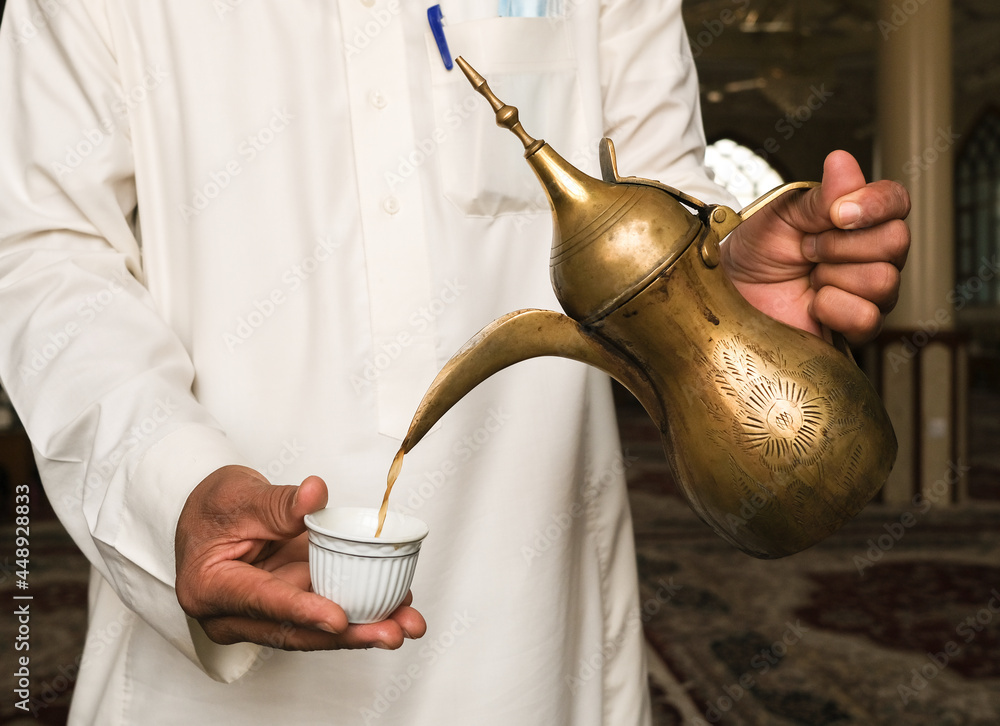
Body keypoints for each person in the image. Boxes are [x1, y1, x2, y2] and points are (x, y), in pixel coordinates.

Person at [0, 0, 909, 724]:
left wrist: (718, 281)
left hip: (536, 643)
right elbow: (43, 253)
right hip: (202, 695)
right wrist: (171, 487)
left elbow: (657, 174)